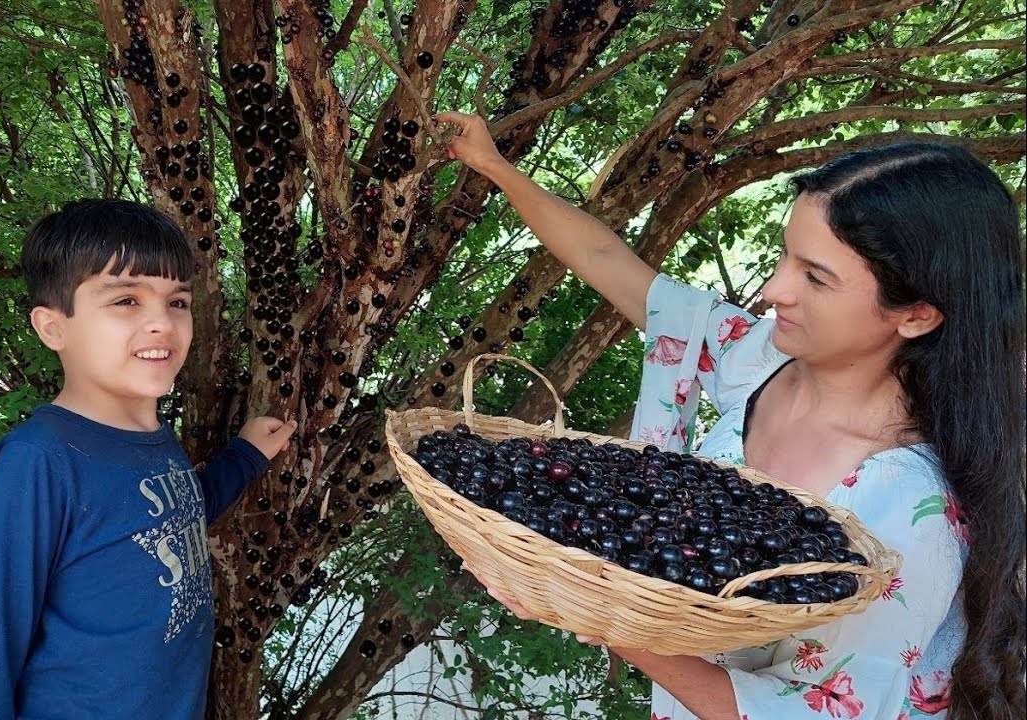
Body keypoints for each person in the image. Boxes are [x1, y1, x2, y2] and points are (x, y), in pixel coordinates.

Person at [437, 111, 1025, 720]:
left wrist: (613, 623)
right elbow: (602, 255)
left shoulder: (908, 513)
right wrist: (494, 166)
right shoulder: (759, 357)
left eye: (815, 278)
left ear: (917, 315)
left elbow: (809, 713)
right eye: (785, 258)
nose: (774, 290)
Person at [0, 199, 297, 718]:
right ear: (53, 327)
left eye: (177, 302)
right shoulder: (38, 464)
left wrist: (247, 454)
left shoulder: (150, 436)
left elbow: (173, 517)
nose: (161, 325)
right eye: (126, 300)